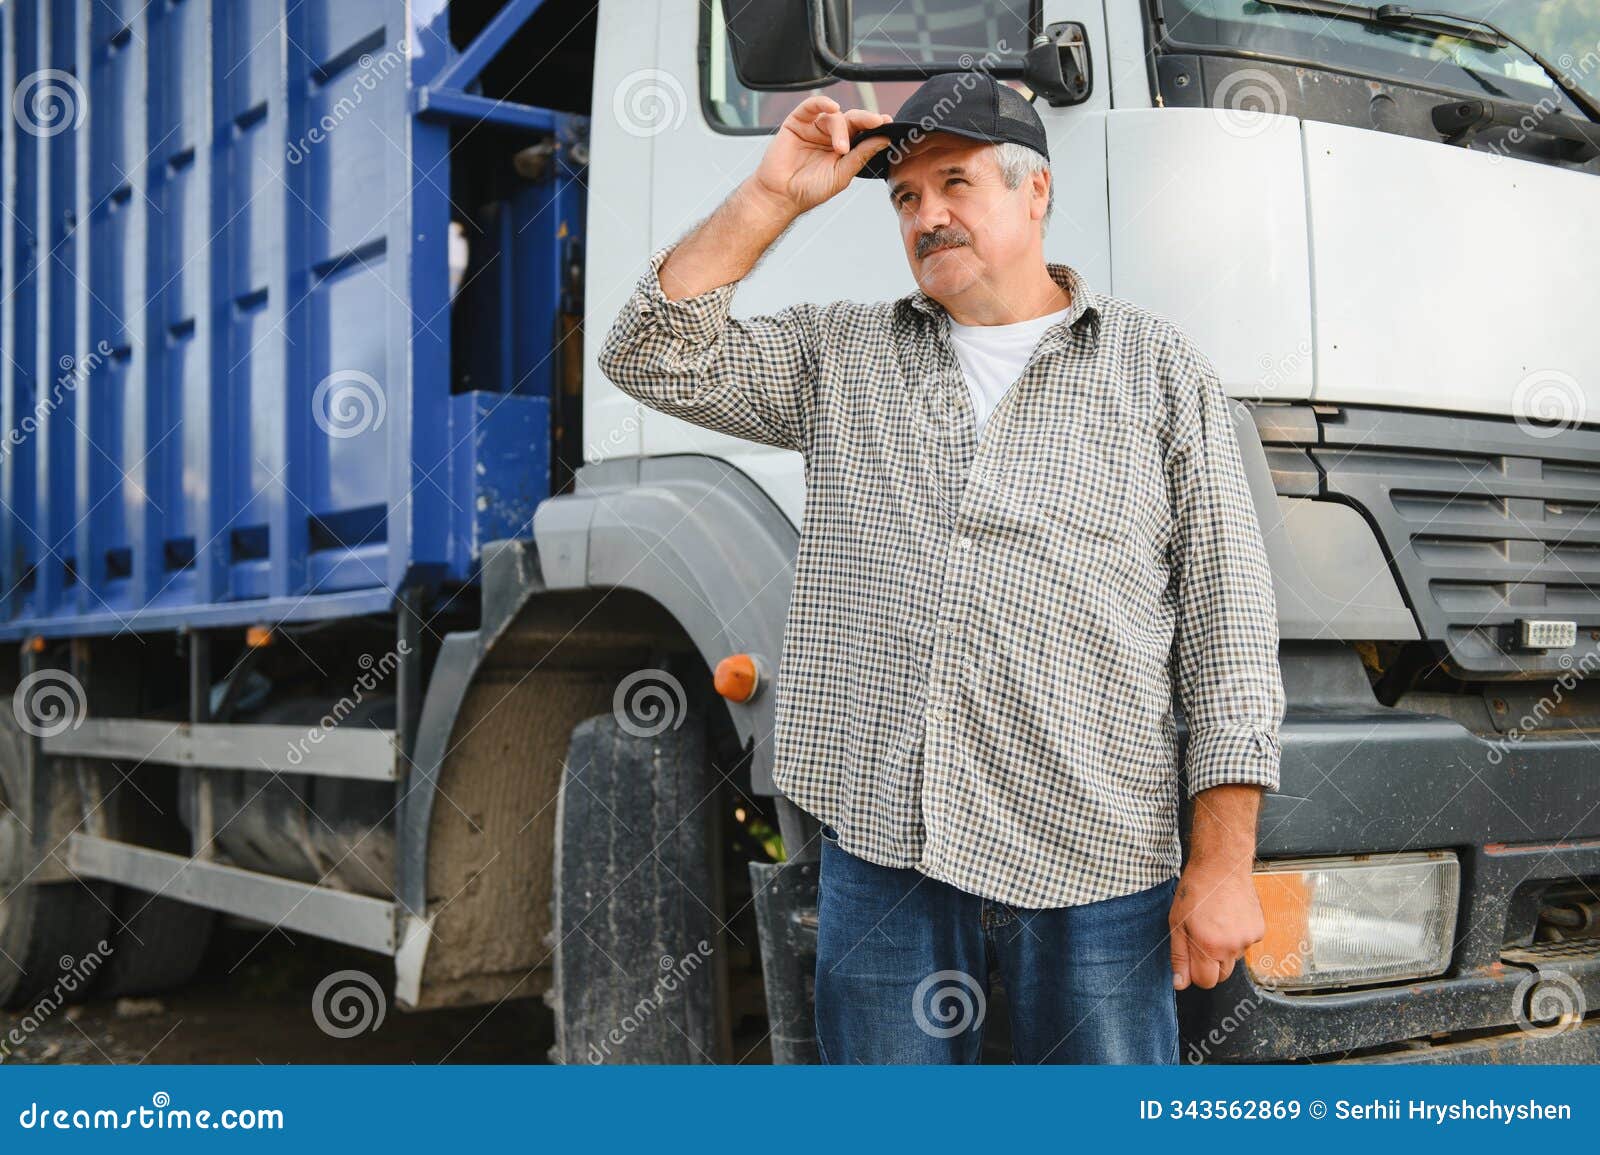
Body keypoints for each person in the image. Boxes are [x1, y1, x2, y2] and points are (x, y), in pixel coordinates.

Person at [598, 71, 1286, 1064]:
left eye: (956, 183)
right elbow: (650, 354)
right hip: (888, 854)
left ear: (1035, 189)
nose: (928, 215)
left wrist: (1221, 864)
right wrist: (772, 197)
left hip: (1096, 855)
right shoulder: (842, 353)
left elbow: (1227, 627)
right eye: (906, 197)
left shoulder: (1156, 368)